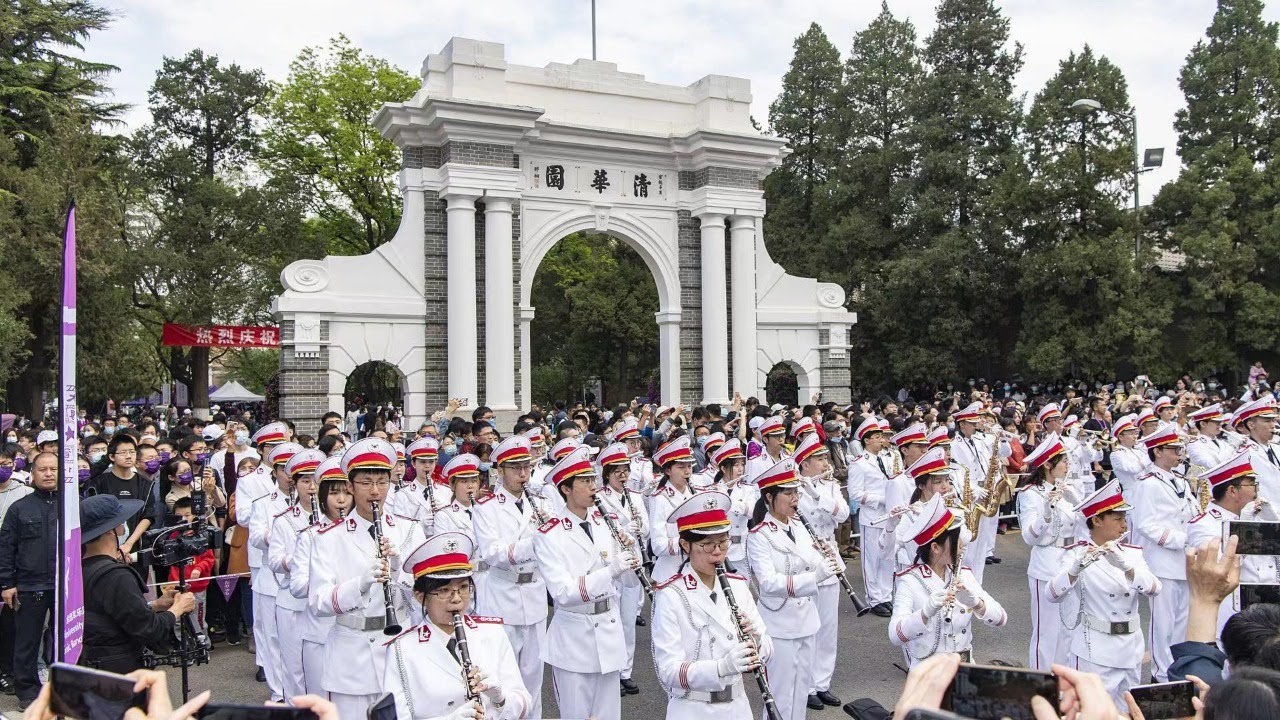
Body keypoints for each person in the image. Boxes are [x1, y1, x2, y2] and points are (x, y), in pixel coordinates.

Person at [307, 437, 426, 719]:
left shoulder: (409, 530)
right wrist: (358, 584)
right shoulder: (328, 538)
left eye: (382, 482)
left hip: (400, 648)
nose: (375, 491)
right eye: (366, 482)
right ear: (349, 486)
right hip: (351, 654)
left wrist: (399, 571)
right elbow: (318, 601)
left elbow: (425, 596)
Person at [533, 446, 636, 720]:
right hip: (574, 639)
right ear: (566, 489)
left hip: (609, 633)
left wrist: (631, 554)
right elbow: (563, 592)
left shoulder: (608, 523)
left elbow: (627, 583)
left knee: (609, 715)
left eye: (593, 480)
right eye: (585, 481)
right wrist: (611, 571)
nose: (594, 487)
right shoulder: (548, 535)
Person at [382, 532, 532, 720]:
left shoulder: (493, 633)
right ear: (420, 596)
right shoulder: (402, 649)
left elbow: (525, 704)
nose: (456, 599)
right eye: (444, 590)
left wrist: (501, 699)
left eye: (463, 587)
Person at [651, 491, 774, 719]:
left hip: (738, 707)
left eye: (722, 542)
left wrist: (756, 641)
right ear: (685, 545)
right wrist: (720, 668)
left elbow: (768, 648)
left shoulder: (737, 586)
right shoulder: (671, 594)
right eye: (707, 544)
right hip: (693, 708)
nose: (717, 552)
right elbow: (667, 670)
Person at [1049, 479, 1160, 710]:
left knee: (1128, 710)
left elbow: (1154, 588)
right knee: (1092, 711)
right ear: (1097, 521)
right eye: (1117, 519)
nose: (1123, 525)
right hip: (1095, 647)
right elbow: (1052, 594)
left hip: (1130, 645)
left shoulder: (1131, 554)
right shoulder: (1075, 554)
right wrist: (1074, 570)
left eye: (1124, 518)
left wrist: (1126, 567)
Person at [745, 457, 838, 720]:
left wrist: (828, 559)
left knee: (799, 694)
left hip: (807, 621)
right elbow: (768, 583)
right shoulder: (759, 536)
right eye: (788, 493)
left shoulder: (800, 527)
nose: (795, 498)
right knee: (779, 695)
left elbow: (813, 561)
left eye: (796, 492)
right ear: (769, 497)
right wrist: (813, 578)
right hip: (779, 624)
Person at [471, 433, 549, 718]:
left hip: (535, 595)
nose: (522, 473)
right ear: (500, 471)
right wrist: (535, 544)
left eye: (526, 467)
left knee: (533, 676)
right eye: (515, 468)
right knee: (502, 677)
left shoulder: (540, 503)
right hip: (503, 596)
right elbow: (493, 553)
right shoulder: (486, 507)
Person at [79, 493, 196, 673]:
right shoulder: (116, 575)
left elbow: (112, 615)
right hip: (118, 671)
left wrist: (155, 605)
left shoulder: (80, 569)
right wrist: (178, 609)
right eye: (121, 523)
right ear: (113, 530)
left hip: (89, 666)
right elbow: (148, 629)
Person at [890, 494, 1006, 667]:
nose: (962, 546)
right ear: (935, 548)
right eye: (956, 541)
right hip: (927, 671)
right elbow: (895, 635)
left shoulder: (964, 575)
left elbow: (1001, 619)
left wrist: (977, 604)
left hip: (964, 669)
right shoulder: (910, 581)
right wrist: (924, 613)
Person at [1185, 451, 1277, 635]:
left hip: (1264, 606)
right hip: (1233, 611)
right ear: (1232, 490)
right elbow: (1218, 568)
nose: (1256, 489)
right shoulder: (1205, 524)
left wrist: (1270, 518)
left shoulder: (1251, 514)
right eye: (1250, 484)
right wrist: (1242, 530)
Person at [1132, 425, 1197, 681]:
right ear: (1158, 451)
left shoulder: (1180, 480)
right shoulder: (1147, 483)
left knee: (1182, 621)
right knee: (1163, 624)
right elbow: (1145, 523)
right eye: (1173, 449)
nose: (1179, 454)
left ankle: (1177, 671)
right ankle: (1161, 675)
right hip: (1162, 561)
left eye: (1179, 449)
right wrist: (1181, 540)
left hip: (1183, 562)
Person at [792, 432, 847, 709]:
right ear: (804, 463)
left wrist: (817, 494)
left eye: (825, 457)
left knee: (828, 627)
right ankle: (807, 686)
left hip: (830, 559)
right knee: (807, 627)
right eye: (819, 458)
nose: (825, 463)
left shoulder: (829, 486)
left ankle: (822, 682)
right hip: (806, 562)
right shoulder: (792, 488)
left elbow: (843, 514)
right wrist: (804, 491)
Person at [287, 456, 351, 696]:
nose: (342, 500)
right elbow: (297, 585)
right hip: (320, 633)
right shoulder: (310, 536)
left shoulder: (367, 533)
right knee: (320, 699)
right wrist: (332, 584)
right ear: (323, 496)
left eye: (346, 493)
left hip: (356, 633)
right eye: (334, 493)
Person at [1017, 435, 1082, 671]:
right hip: (1047, 563)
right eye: (1063, 461)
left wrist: (1078, 501)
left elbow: (1084, 525)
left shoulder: (1068, 488)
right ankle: (1042, 684)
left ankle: (1063, 683)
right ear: (1047, 465)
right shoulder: (1030, 494)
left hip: (1071, 562)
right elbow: (1029, 537)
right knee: (1047, 631)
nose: (1068, 465)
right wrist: (1045, 514)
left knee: (1069, 629)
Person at [266, 448, 324, 699]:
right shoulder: (284, 520)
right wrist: (299, 560)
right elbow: (275, 561)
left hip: (322, 601)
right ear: (295, 484)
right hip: (293, 602)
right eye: (305, 481)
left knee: (321, 666)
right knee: (293, 667)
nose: (311, 487)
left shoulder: (332, 519)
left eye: (316, 480)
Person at [247, 440, 303, 701]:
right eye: (285, 470)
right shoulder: (264, 503)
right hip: (272, 579)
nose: (290, 477)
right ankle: (279, 692)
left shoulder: (314, 504)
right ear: (275, 471)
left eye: (297, 472)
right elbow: (257, 537)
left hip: (304, 581)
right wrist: (280, 534)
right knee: (272, 638)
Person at [0, 452, 55, 707]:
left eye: (53, 469)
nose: (48, 473)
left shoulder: (71, 505)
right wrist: (7, 584)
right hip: (29, 586)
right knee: (27, 642)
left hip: (65, 585)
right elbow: (6, 548)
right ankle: (27, 692)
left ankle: (65, 687)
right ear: (32, 473)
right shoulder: (19, 508)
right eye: (43, 469)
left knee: (66, 638)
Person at [595, 441, 649, 696]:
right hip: (611, 563)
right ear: (607, 473)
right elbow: (602, 532)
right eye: (616, 470)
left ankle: (625, 671)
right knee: (610, 621)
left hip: (633, 562)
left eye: (625, 469)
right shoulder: (600, 499)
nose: (622, 475)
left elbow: (647, 530)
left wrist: (639, 527)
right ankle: (611, 673)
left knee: (627, 620)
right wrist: (626, 530)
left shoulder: (635, 497)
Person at [848, 416, 895, 616]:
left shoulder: (885, 459)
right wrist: (882, 499)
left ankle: (886, 596)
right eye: (876, 437)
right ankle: (874, 598)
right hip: (872, 516)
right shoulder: (860, 464)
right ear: (866, 440)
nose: (880, 440)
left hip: (888, 516)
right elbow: (855, 493)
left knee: (887, 558)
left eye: (881, 436)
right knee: (872, 559)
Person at [649, 436, 698, 583]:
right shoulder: (660, 498)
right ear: (668, 470)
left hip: (696, 569)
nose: (687, 472)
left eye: (689, 466)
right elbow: (658, 546)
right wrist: (691, 542)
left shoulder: (696, 494)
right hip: (670, 573)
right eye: (681, 467)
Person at [389, 435, 447, 537]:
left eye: (431, 462)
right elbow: (398, 529)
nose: (427, 466)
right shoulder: (402, 494)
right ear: (413, 463)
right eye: (422, 462)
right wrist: (419, 524)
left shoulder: (446, 491)